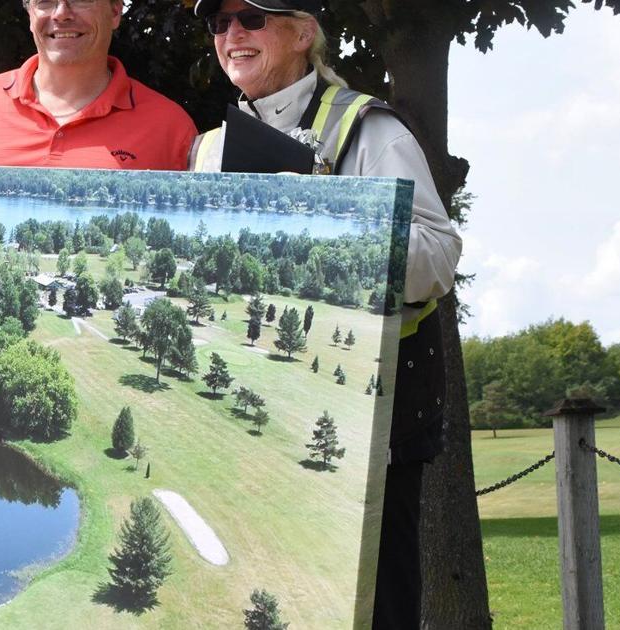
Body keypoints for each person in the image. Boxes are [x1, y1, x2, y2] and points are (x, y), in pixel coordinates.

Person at [188, 1, 462, 627]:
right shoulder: (205, 150)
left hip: (367, 420)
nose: (232, 35)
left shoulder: (369, 129)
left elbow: (439, 256)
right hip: (252, 413)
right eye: (220, 23)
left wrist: (325, 224)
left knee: (372, 610)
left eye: (251, 19)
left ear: (302, 31)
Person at [0, 0, 196, 169]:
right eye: (45, 0)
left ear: (115, 12)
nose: (61, 13)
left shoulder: (170, 128)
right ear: (30, 14)